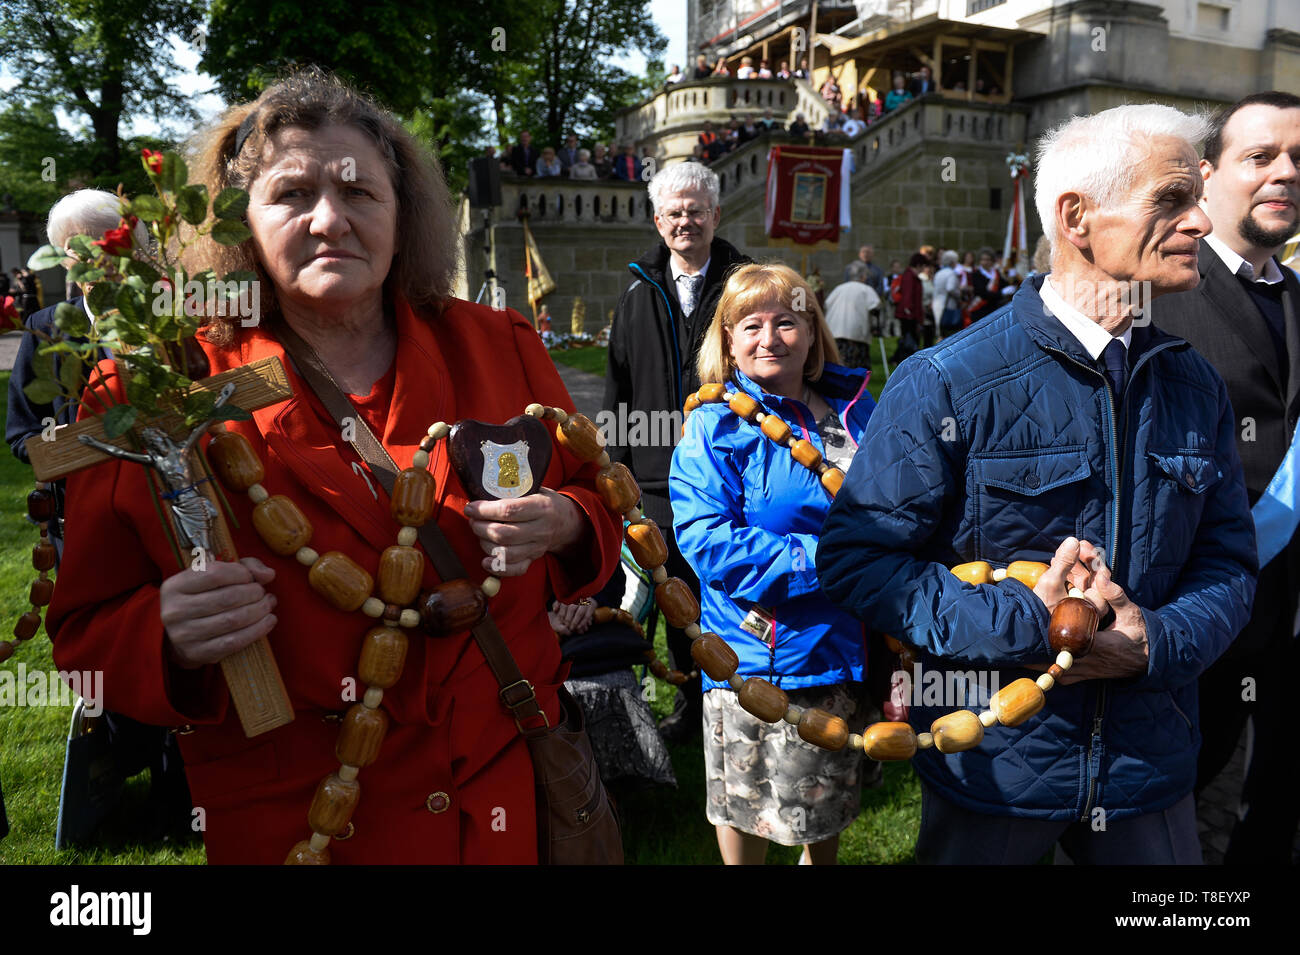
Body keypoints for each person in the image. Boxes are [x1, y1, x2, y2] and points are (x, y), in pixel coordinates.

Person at [45, 70, 622, 865]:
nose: (330, 220)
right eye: (291, 194)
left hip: (497, 809)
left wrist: (566, 521)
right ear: (239, 222)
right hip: (302, 825)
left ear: (402, 212)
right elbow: (83, 641)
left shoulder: (500, 345)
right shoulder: (155, 389)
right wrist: (166, 635)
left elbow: (598, 502)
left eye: (360, 194)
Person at [818, 103, 1257, 865]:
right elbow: (861, 560)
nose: (1201, 225)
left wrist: (1153, 641)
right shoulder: (945, 380)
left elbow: (1227, 563)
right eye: (1172, 201)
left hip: (1147, 773)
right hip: (994, 772)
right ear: (1076, 216)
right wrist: (1024, 621)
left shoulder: (1196, 385)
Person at [670, 263, 875, 865]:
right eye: (750, 325)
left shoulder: (857, 411)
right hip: (759, 659)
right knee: (749, 808)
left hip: (846, 645)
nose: (769, 338)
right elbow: (707, 541)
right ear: (728, 339)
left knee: (822, 807)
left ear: (811, 332)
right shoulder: (714, 426)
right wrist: (831, 560)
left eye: (785, 322)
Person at [1150, 90, 1300, 864]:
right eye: (1261, 156)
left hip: (1288, 625)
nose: (1286, 173)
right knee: (1175, 833)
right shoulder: (1155, 294)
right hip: (1190, 620)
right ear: (1207, 176)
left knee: (1266, 819)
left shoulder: (1297, 297)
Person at [603, 162, 752, 743]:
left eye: (696, 209)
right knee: (675, 599)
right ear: (658, 221)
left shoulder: (745, 285)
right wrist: (614, 471)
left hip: (733, 473)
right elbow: (617, 389)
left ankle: (746, 701)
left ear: (715, 215)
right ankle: (692, 706)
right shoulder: (638, 292)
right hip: (658, 481)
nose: (685, 221)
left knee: (737, 592)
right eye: (673, 212)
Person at [824, 261, 880, 369]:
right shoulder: (866, 290)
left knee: (837, 363)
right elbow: (875, 307)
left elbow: (826, 304)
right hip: (856, 334)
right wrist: (876, 327)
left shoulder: (838, 288)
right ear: (863, 276)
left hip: (834, 332)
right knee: (855, 366)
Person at [892, 252, 926, 361]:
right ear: (919, 265)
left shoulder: (912, 276)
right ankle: (901, 359)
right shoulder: (909, 276)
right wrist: (909, 311)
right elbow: (908, 294)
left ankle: (898, 358)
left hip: (911, 314)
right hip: (908, 315)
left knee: (909, 339)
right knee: (909, 340)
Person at [967, 247, 1002, 322]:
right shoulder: (976, 274)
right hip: (980, 310)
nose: (985, 262)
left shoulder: (997, 273)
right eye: (983, 259)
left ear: (992, 261)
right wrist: (1000, 294)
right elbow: (981, 292)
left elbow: (1003, 286)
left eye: (988, 259)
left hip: (994, 309)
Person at [932, 249, 962, 336]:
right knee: (950, 333)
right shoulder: (951, 273)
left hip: (937, 303)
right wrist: (959, 295)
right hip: (949, 305)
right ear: (952, 262)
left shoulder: (938, 273)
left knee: (940, 331)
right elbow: (950, 288)